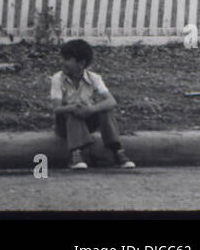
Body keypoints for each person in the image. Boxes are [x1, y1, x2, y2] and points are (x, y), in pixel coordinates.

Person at [50, 38, 136, 170]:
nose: (63, 63)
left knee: (105, 109)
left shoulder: (94, 78)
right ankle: (75, 154)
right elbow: (56, 109)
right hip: (65, 125)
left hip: (86, 121)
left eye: (68, 59)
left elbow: (111, 101)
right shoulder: (58, 78)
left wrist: (91, 109)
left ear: (81, 63)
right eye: (63, 58)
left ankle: (117, 150)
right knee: (73, 112)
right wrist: (72, 107)